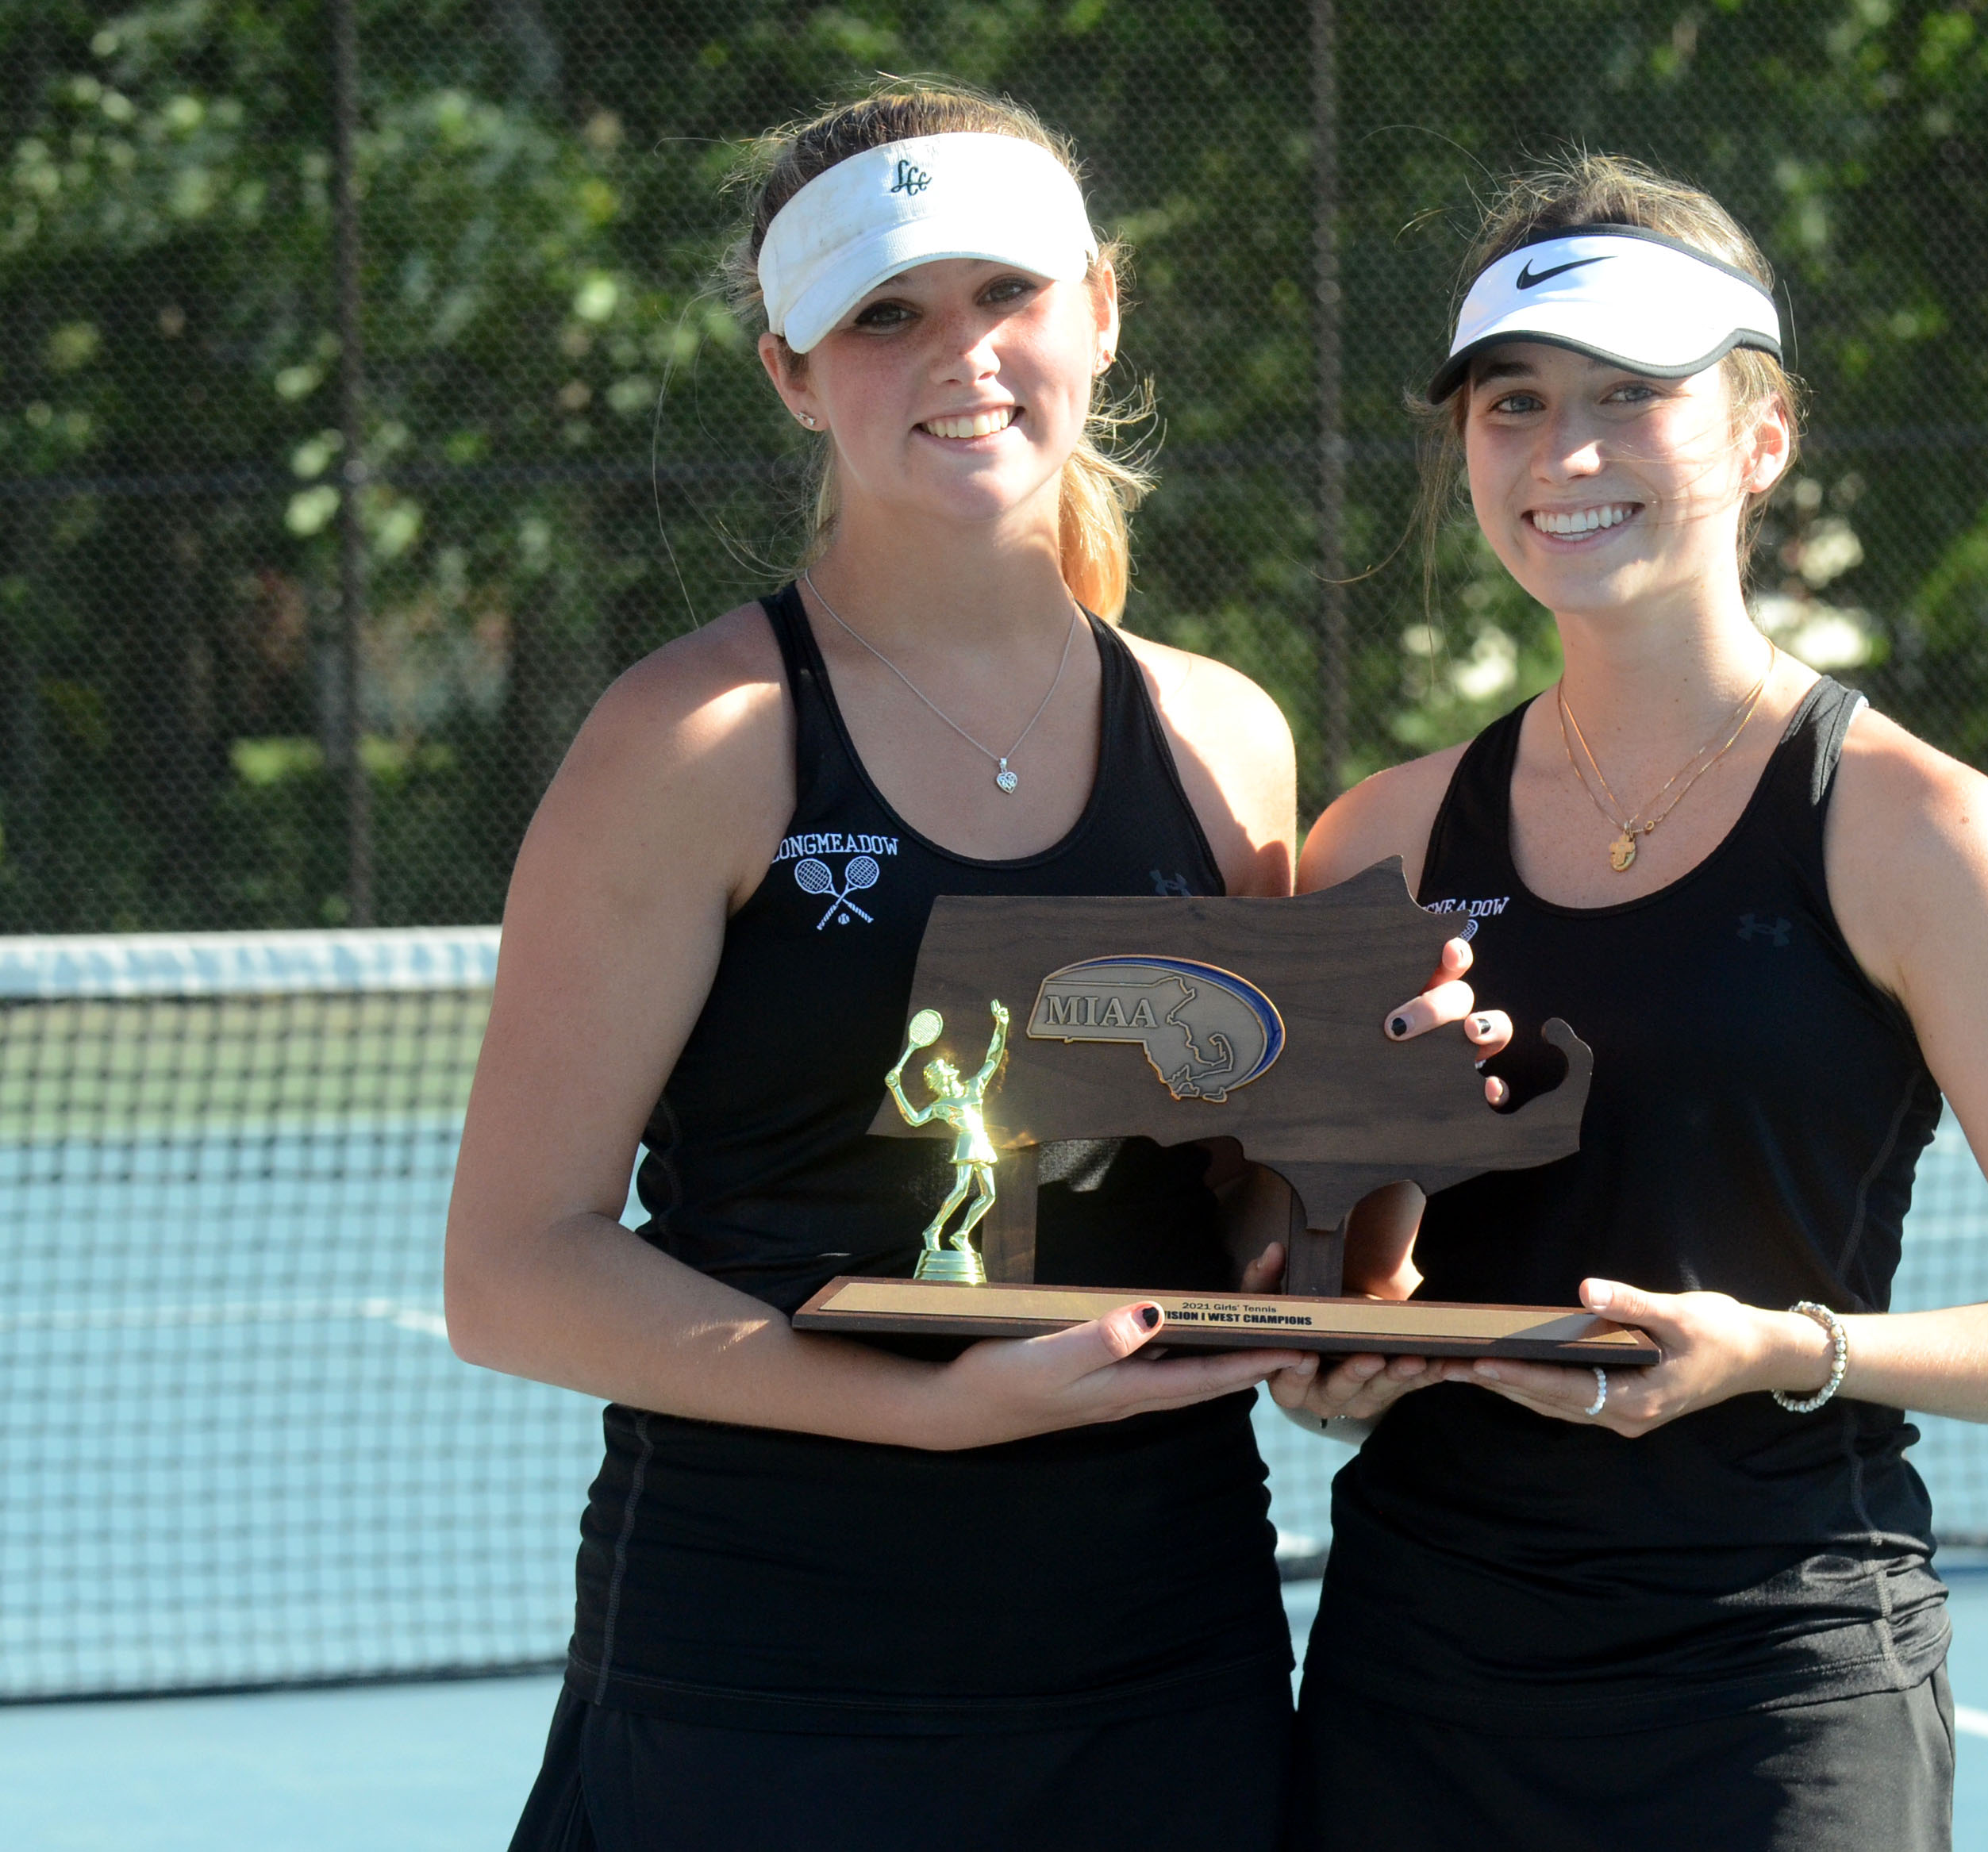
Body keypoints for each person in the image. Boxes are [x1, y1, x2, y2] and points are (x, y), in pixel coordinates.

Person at [443, 84, 1489, 1852]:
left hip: (1163, 1671)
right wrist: (925, 1422)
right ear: (791, 369)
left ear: (1099, 308)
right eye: (884, 315)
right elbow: (516, 1275)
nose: (961, 357)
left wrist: (1358, 1222)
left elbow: (1234, 1208)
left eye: (1002, 294)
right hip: (764, 1684)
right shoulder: (691, 740)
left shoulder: (1222, 735)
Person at [1275, 155, 1988, 1850]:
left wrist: (1779, 1351)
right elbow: (1342, 1272)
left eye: (1632, 399)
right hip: (1425, 1673)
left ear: (1760, 435)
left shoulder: (1921, 833)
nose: (1564, 455)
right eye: (1515, 403)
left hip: (1774, 1687)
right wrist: (1328, 1348)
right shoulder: (1380, 837)